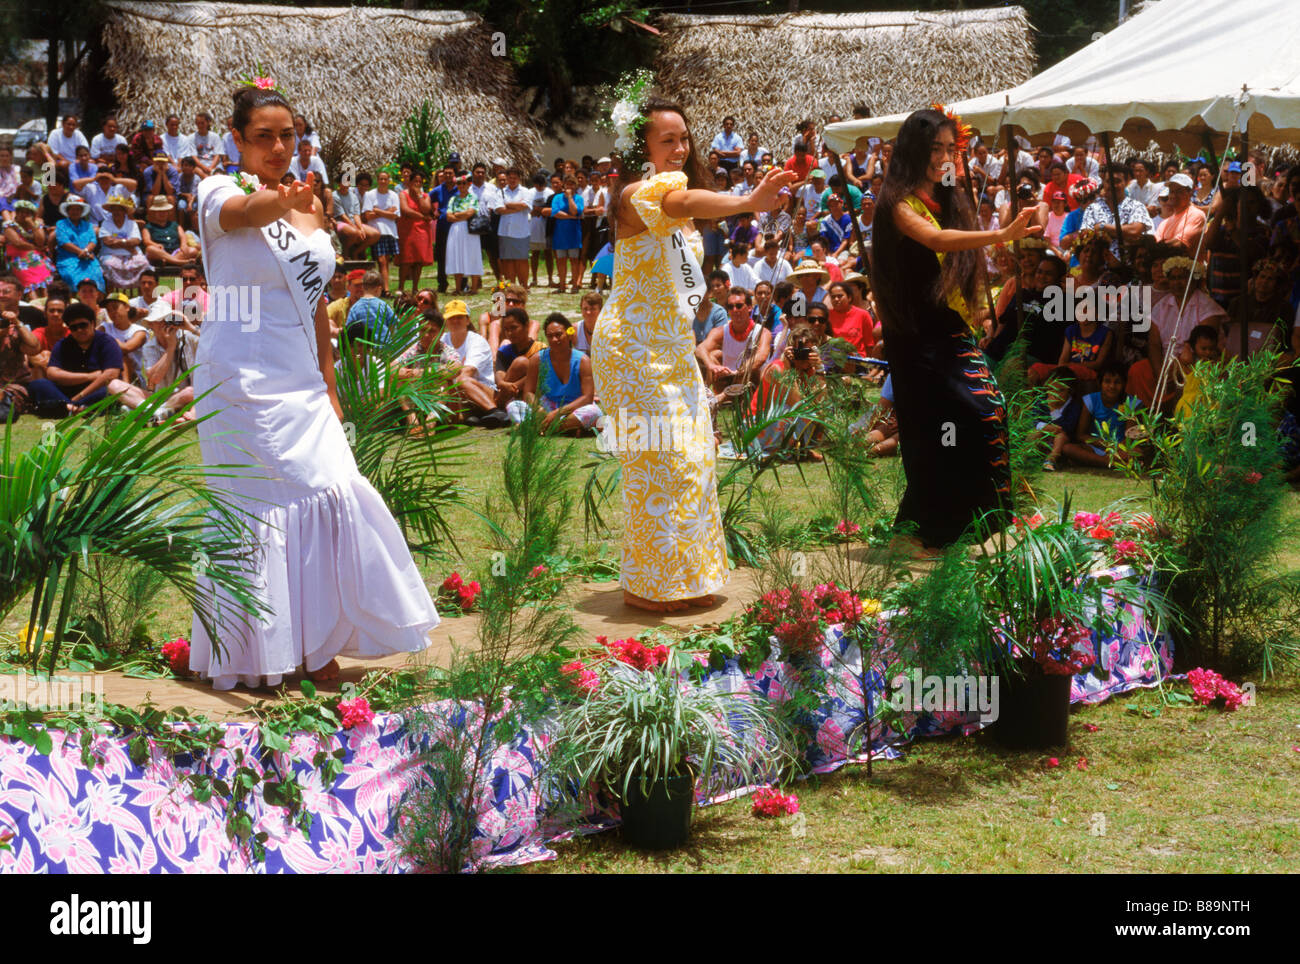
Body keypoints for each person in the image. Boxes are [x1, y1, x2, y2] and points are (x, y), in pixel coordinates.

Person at [189, 81, 439, 690]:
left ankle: (318, 639)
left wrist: (329, 384)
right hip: (241, 373)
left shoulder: (312, 205)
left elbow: (318, 306)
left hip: (301, 377)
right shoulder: (219, 189)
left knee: (337, 490)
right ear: (237, 140)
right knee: (269, 505)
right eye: (263, 137)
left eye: (288, 135)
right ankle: (268, 649)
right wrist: (280, 200)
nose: (278, 147)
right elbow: (246, 216)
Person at [592, 94, 795, 613]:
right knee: (660, 458)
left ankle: (682, 577)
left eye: (684, 138)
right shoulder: (638, 195)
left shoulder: (678, 199)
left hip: (669, 343)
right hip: (632, 346)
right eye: (668, 140)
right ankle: (648, 585)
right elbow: (684, 204)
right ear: (642, 146)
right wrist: (750, 200)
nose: (680, 148)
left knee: (695, 455)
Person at [870, 108, 1040, 550]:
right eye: (935, 148)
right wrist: (1001, 233)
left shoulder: (946, 200)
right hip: (916, 338)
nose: (944, 156)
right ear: (914, 150)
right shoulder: (898, 203)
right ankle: (952, 522)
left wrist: (980, 309)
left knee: (971, 415)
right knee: (957, 417)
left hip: (947, 328)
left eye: (951, 148)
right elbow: (937, 242)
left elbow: (958, 266)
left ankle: (960, 522)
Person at [24, 301, 122, 417]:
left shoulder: (107, 342)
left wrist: (79, 396)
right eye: (74, 328)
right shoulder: (63, 344)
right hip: (68, 391)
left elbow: (111, 375)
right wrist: (89, 376)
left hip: (96, 390)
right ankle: (78, 409)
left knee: (112, 389)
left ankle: (66, 407)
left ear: (92, 323)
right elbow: (52, 373)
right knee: (38, 384)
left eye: (83, 325)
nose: (79, 330)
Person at [507, 314, 601, 434]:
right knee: (514, 406)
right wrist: (538, 408)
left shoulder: (583, 361)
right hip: (547, 408)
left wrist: (557, 413)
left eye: (558, 335)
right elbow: (528, 392)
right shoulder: (538, 359)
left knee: (593, 412)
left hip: (574, 409)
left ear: (569, 334)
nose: (554, 340)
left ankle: (542, 428)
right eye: (550, 336)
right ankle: (564, 428)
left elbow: (587, 398)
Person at [1061, 361, 1140, 468]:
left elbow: (1130, 436)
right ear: (1100, 383)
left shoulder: (1130, 402)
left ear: (1124, 384)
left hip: (1120, 449)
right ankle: (1110, 463)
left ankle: (1100, 462)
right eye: (1107, 381)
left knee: (1137, 452)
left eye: (1117, 382)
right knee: (1068, 448)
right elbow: (1081, 435)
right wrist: (1105, 444)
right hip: (1095, 447)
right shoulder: (1091, 400)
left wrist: (1117, 448)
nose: (1112, 386)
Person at [696, 286, 772, 393]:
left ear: (749, 307)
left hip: (751, 380)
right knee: (711, 357)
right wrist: (711, 365)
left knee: (752, 371)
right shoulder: (720, 331)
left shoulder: (763, 332)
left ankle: (720, 399)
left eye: (739, 306)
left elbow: (761, 357)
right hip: (728, 379)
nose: (735, 310)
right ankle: (715, 396)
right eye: (731, 307)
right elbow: (700, 349)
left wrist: (738, 372)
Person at [437, 298, 499, 422]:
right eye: (451, 318)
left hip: (482, 391)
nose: (455, 321)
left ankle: (495, 412)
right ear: (446, 321)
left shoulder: (476, 341)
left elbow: (467, 372)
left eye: (459, 317)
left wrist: (438, 372)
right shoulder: (442, 340)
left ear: (468, 320)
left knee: (462, 380)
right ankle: (468, 415)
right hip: (456, 393)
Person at [97, 193, 150, 290]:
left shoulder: (132, 223)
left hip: (131, 255)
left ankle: (139, 294)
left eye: (119, 209)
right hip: (110, 254)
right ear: (111, 211)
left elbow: (136, 241)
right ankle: (111, 294)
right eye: (114, 209)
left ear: (124, 211)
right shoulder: (106, 223)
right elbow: (107, 241)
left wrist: (117, 241)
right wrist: (127, 244)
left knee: (143, 263)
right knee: (109, 264)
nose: (116, 212)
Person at [396, 168, 435, 297]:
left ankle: (415, 288)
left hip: (422, 231)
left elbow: (426, 209)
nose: (417, 184)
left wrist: (419, 196)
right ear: (410, 182)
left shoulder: (425, 196)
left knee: (419, 260)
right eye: (415, 181)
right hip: (407, 229)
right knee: (406, 259)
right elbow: (405, 210)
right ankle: (401, 287)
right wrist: (422, 217)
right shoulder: (403, 194)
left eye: (420, 182)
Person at [54, 194, 105, 293]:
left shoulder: (88, 225)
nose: (75, 212)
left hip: (88, 257)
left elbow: (93, 241)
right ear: (68, 211)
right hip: (68, 258)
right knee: (71, 275)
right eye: (72, 209)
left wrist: (86, 251)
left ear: (81, 211)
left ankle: (96, 301)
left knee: (97, 274)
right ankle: (75, 300)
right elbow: (64, 242)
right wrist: (82, 252)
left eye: (78, 209)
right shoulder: (61, 224)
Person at [3, 200, 54, 296]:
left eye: (27, 212)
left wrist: (32, 226)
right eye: (21, 212)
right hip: (18, 257)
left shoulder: (36, 224)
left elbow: (41, 241)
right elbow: (18, 243)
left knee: (42, 275)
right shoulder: (9, 226)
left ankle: (46, 301)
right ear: (16, 213)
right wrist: (35, 248)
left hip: (35, 256)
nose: (24, 215)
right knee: (28, 279)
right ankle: (34, 304)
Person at [363, 170, 401, 292]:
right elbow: (368, 215)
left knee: (386, 261)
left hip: (390, 231)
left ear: (389, 181)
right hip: (377, 231)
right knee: (381, 261)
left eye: (386, 179)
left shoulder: (394, 195)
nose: (383, 181)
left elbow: (395, 215)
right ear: (377, 180)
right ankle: (385, 289)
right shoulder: (370, 195)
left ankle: (384, 287)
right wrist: (387, 212)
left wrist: (378, 211)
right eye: (381, 179)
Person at [444, 173, 483, 295]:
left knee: (473, 255)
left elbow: (470, 213)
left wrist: (457, 215)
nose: (461, 186)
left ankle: (474, 288)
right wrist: (462, 215)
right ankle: (458, 288)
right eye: (459, 183)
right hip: (455, 231)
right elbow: (448, 216)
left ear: (468, 184)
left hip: (470, 230)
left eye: (464, 183)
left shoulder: (473, 197)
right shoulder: (453, 199)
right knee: (457, 256)